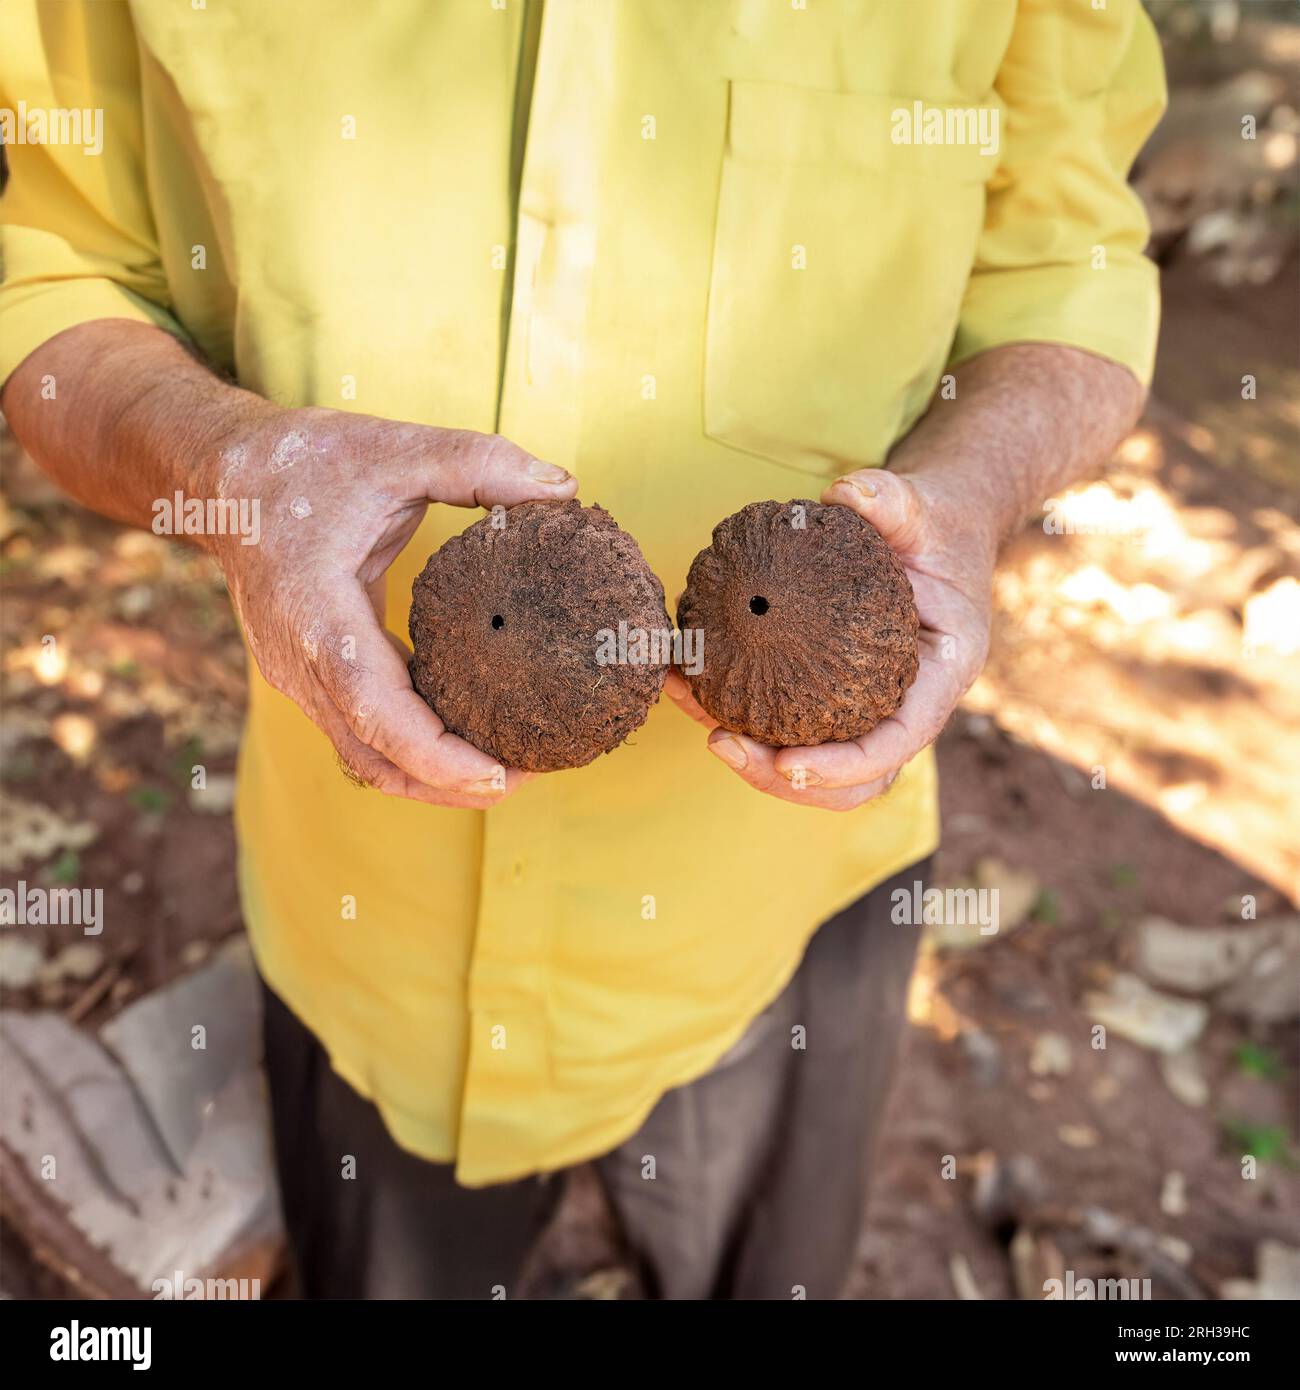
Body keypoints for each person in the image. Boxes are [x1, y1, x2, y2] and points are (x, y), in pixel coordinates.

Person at [0, 0, 1164, 1298]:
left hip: (781, 910)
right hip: (365, 927)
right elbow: (62, 286)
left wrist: (974, 484)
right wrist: (227, 466)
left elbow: (1071, 269)